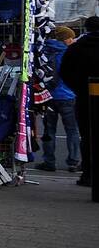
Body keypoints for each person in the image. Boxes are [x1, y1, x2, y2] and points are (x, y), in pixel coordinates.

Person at [59, 16, 99, 186]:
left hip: (84, 97)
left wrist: (79, 88)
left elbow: (65, 72)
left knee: (87, 135)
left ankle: (88, 174)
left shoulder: (76, 49)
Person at [36, 25, 80, 173]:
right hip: (68, 95)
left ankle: (49, 161)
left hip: (48, 95)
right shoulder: (70, 53)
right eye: (70, 38)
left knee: (49, 130)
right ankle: (73, 162)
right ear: (65, 38)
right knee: (72, 131)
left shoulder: (45, 51)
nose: (72, 40)